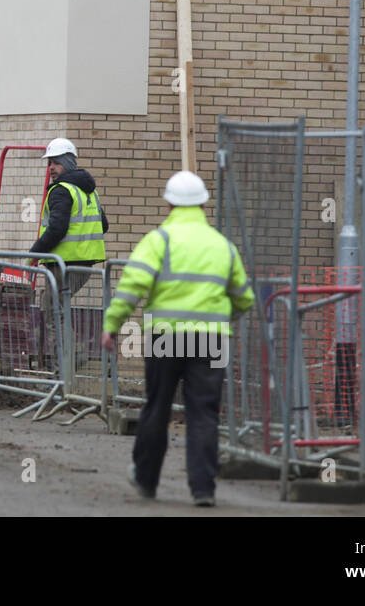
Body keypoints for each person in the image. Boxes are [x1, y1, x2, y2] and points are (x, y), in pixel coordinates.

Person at [100, 170, 252, 507]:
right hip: (211, 342)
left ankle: (146, 479)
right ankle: (203, 489)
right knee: (204, 413)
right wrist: (223, 319)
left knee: (157, 407)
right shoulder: (222, 245)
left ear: (169, 202)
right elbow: (244, 297)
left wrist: (112, 324)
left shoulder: (159, 240)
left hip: (165, 335)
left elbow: (132, 287)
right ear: (203, 204)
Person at [28, 138, 108, 365]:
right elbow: (103, 225)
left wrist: (34, 254)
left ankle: (68, 363)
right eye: (49, 163)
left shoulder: (61, 191)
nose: (51, 168)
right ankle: (71, 359)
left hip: (64, 263)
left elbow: (57, 229)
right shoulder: (90, 192)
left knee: (54, 312)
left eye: (55, 162)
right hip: (83, 264)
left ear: (67, 162)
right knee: (55, 307)